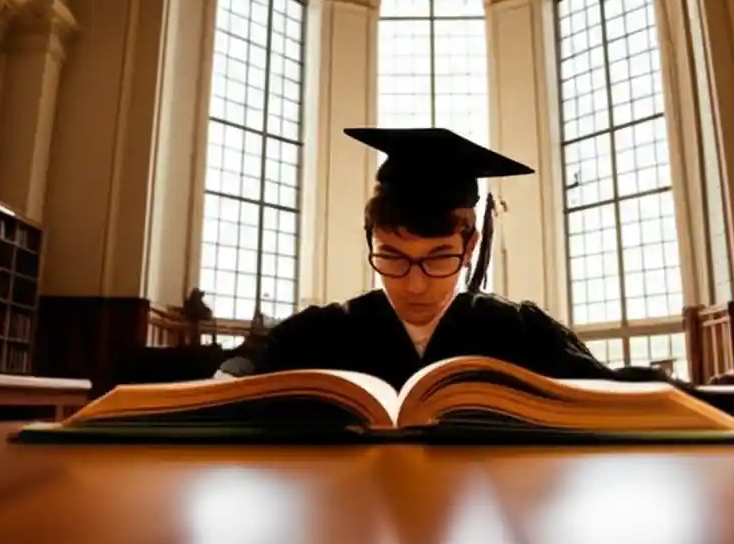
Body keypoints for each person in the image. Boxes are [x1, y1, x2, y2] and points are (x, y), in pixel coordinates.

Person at [229, 127, 673, 391]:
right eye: (393, 257)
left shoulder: (524, 333)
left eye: (439, 258)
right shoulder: (322, 332)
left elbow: (609, 394)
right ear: (370, 240)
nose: (416, 284)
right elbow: (235, 374)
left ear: (471, 244)